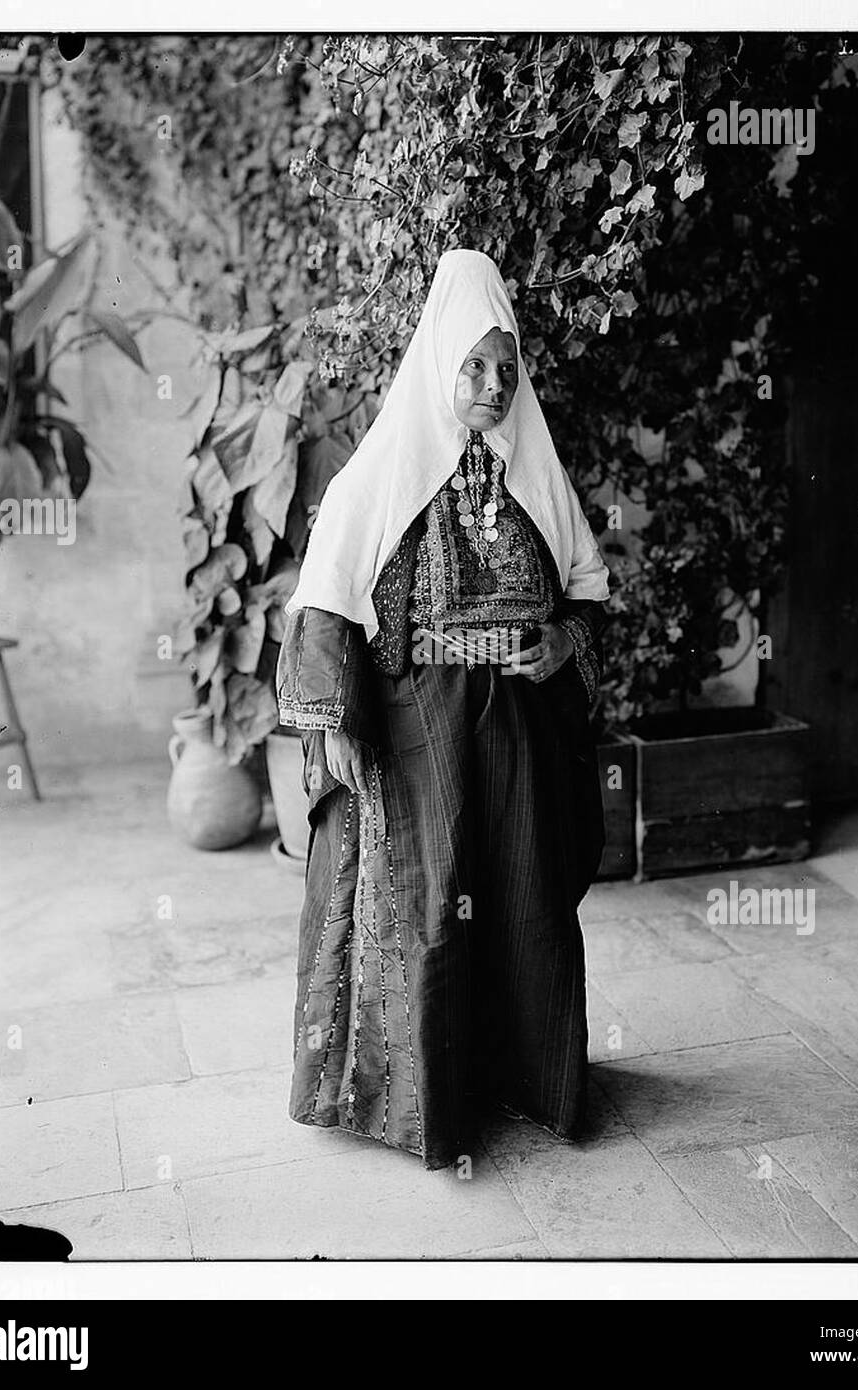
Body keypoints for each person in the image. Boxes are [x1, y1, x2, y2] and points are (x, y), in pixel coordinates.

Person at [275, 248, 610, 1170]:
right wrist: (334, 719)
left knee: (525, 899)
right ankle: (427, 1104)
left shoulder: (536, 472)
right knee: (429, 909)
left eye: (506, 368)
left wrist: (565, 641)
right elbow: (325, 600)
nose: (493, 385)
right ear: (439, 364)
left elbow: (585, 591)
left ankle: (525, 1081)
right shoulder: (379, 473)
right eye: (474, 365)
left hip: (516, 728)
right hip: (416, 725)